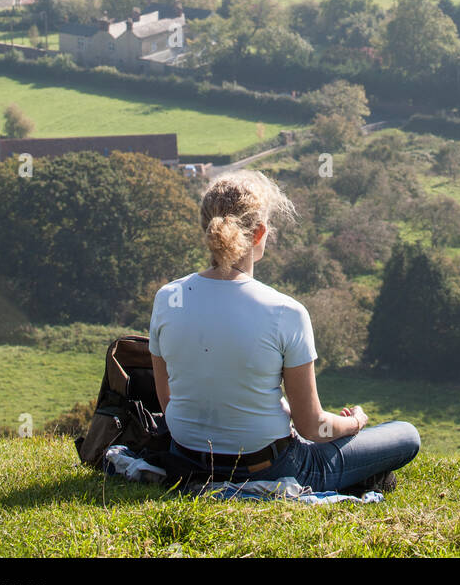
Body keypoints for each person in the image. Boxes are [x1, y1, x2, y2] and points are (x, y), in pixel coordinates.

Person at [149, 169, 420, 492]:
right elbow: (312, 427)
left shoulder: (168, 298)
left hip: (185, 461)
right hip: (268, 468)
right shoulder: (285, 311)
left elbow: (168, 402)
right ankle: (362, 477)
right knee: (406, 435)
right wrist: (355, 422)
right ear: (260, 232)